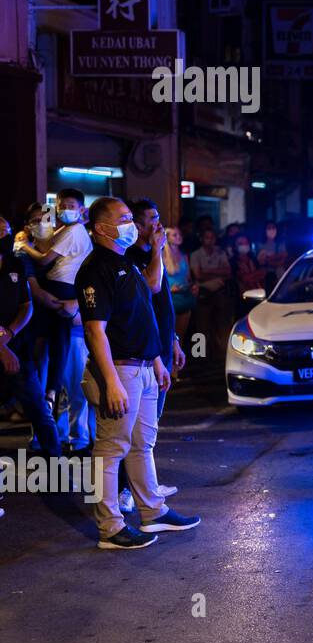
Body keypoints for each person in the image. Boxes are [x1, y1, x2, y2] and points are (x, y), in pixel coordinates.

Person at [77, 197, 199, 550]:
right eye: (125, 218)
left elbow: (150, 297)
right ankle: (110, 527)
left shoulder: (125, 261)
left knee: (141, 445)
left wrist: (157, 361)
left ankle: (152, 512)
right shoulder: (95, 269)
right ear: (101, 228)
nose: (133, 223)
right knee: (110, 448)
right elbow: (94, 331)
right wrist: (111, 381)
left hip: (144, 368)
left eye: (132, 217)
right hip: (120, 370)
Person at [18, 190, 92, 450]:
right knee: (45, 376)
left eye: (45, 219)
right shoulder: (25, 254)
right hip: (42, 322)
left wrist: (74, 307)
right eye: (36, 221)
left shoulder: (66, 236)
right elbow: (37, 293)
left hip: (70, 322)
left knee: (71, 384)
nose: (42, 224)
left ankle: (76, 438)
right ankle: (46, 437)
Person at [127, 200, 183, 504]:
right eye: (151, 219)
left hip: (160, 348)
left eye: (158, 217)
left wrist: (173, 340)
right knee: (134, 431)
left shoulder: (152, 255)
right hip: (144, 354)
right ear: (137, 225)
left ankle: (147, 486)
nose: (157, 225)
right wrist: (159, 251)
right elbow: (153, 288)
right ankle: (127, 491)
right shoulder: (133, 256)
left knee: (150, 427)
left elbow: (162, 308)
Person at [0, 215, 59, 456]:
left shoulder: (16, 264)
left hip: (20, 350)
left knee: (40, 412)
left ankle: (56, 466)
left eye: (7, 231)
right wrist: (1, 347)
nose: (4, 236)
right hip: (6, 349)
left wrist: (9, 334)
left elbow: (27, 305)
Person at [190, 227, 233, 362]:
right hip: (203, 294)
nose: (210, 240)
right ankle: (200, 356)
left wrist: (207, 271)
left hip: (220, 293)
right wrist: (217, 271)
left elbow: (228, 271)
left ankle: (221, 357)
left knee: (221, 326)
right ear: (202, 239)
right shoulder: (196, 254)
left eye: (212, 237)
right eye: (207, 237)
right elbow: (198, 275)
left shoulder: (220, 252)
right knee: (202, 327)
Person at [163, 225, 196, 345]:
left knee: (181, 334)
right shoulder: (162, 256)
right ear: (167, 237)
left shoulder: (184, 255)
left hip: (184, 296)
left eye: (180, 234)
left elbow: (188, 278)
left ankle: (178, 362)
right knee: (169, 335)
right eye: (174, 235)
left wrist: (193, 285)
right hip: (170, 298)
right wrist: (170, 288)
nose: (179, 237)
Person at [257, 221, 289, 292]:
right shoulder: (260, 244)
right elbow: (261, 260)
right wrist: (276, 257)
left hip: (279, 274)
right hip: (266, 275)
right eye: (269, 228)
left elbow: (283, 258)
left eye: (273, 228)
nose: (271, 230)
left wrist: (271, 258)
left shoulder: (280, 243)